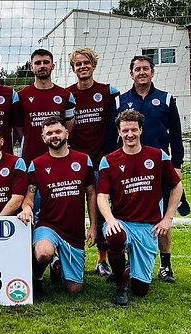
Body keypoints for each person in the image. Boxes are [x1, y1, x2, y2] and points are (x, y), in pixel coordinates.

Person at [112, 54, 189, 284]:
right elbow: (112, 138)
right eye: (137, 69)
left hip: (159, 169)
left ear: (152, 72)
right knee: (126, 215)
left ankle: (165, 266)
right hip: (128, 171)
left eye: (146, 68)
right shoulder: (120, 101)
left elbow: (176, 135)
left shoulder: (165, 99)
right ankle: (126, 263)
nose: (142, 72)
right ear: (131, 74)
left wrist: (177, 165)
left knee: (163, 216)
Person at [97, 110, 182, 305]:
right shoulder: (108, 161)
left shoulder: (157, 156)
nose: (130, 134)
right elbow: (101, 196)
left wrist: (168, 218)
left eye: (134, 129)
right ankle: (120, 286)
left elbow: (177, 185)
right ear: (119, 132)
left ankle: (128, 272)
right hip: (123, 223)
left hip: (148, 228)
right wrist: (110, 220)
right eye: (125, 130)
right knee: (115, 236)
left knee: (141, 290)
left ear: (141, 130)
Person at [17, 116, 97, 294]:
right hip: (49, 224)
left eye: (58, 132)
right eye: (49, 133)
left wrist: (93, 225)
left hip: (74, 230)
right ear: (43, 138)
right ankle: (36, 277)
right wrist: (27, 208)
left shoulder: (84, 160)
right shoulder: (36, 165)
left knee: (74, 289)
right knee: (43, 252)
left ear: (66, 133)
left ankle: (57, 264)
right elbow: (29, 196)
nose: (54, 136)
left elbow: (91, 193)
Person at [65, 47, 120, 278]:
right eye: (78, 64)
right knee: (71, 211)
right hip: (75, 165)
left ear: (94, 65)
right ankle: (68, 257)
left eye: (86, 62)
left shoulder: (109, 92)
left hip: (102, 163)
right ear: (73, 68)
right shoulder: (66, 95)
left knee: (104, 210)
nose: (82, 67)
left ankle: (103, 260)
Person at [15, 49, 75, 163]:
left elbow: (69, 127)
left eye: (46, 62)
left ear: (53, 66)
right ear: (31, 67)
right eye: (38, 63)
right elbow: (18, 128)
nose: (42, 66)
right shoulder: (20, 96)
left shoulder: (66, 96)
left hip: (59, 155)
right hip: (31, 157)